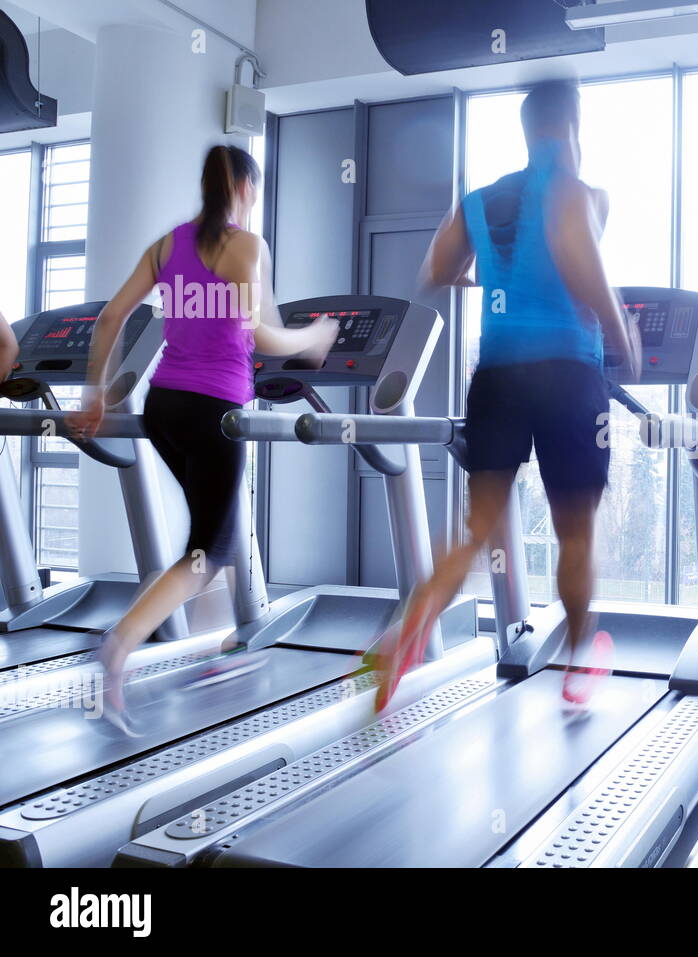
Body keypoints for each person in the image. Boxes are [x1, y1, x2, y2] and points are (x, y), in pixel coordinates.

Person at [373, 79, 641, 711]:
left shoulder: (480, 199)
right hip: (568, 373)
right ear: (573, 125)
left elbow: (434, 272)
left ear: (525, 130)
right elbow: (583, 264)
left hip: (495, 374)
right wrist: (619, 329)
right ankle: (579, 658)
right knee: (575, 529)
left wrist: (489, 279)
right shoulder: (581, 193)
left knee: (475, 529)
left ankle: (404, 638)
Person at [69, 144, 337, 734]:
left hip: (164, 407)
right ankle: (117, 650)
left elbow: (113, 316)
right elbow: (261, 335)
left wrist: (94, 394)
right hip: (215, 411)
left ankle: (133, 641)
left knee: (204, 541)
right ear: (244, 187)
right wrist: (315, 339)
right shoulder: (247, 247)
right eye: (256, 192)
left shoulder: (169, 244)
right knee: (206, 555)